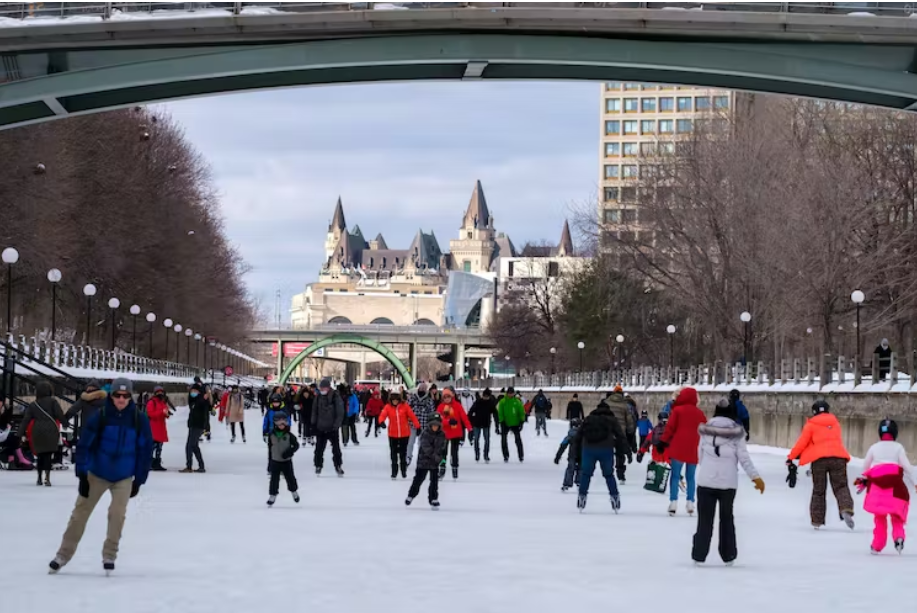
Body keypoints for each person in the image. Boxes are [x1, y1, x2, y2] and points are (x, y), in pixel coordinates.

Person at [48, 378, 152, 575]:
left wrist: (139, 479)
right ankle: (63, 554)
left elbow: (145, 450)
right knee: (79, 514)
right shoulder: (100, 416)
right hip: (97, 473)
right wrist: (82, 475)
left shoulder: (139, 419)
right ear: (111, 395)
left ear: (131, 396)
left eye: (125, 396)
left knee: (117, 515)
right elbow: (84, 445)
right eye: (117, 395)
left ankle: (109, 554)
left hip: (123, 475)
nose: (121, 399)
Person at [692, 400, 765, 566]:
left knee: (704, 519)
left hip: (706, 481)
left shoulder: (705, 431)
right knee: (726, 518)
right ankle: (728, 554)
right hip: (728, 483)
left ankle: (699, 554)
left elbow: (700, 455)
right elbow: (743, 458)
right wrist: (755, 477)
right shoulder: (737, 433)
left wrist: (708, 470)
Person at [787, 400, 855, 530]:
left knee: (819, 490)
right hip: (838, 458)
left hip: (819, 460)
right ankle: (846, 509)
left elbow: (802, 443)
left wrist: (791, 457)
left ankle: (817, 521)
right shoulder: (835, 423)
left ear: (814, 412)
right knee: (841, 486)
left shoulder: (811, 425)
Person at [857, 419, 915, 554]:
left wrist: (861, 481)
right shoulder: (898, 448)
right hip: (895, 489)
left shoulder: (874, 447)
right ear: (895, 433)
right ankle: (899, 537)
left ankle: (877, 546)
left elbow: (865, 467)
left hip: (877, 489)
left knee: (879, 518)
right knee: (897, 517)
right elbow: (907, 468)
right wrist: (915, 482)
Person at [657, 387, 707, 516]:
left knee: (675, 476)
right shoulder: (700, 413)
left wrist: (662, 442)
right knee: (691, 477)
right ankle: (690, 502)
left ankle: (673, 502)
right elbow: (705, 431)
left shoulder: (677, 411)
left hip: (678, 447)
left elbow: (670, 428)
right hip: (693, 448)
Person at [574, 397, 630, 512]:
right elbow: (620, 436)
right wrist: (627, 452)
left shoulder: (588, 419)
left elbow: (578, 436)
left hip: (588, 449)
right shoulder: (611, 420)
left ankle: (582, 497)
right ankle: (614, 497)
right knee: (609, 475)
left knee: (586, 474)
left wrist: (576, 454)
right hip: (606, 449)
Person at [18, 380, 65, 486]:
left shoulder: (33, 404)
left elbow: (26, 420)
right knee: (48, 455)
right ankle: (47, 478)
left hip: (37, 430)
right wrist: (65, 423)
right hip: (51, 430)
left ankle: (39, 477)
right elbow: (59, 415)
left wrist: (19, 433)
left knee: (40, 455)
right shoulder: (53, 402)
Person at [405, 413, 446, 509]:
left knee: (434, 482)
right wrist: (435, 456)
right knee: (418, 479)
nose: (435, 427)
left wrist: (442, 461)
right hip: (423, 462)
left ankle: (433, 498)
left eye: (437, 425)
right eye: (433, 425)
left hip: (435, 463)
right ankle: (411, 495)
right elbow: (426, 448)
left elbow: (443, 449)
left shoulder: (442, 435)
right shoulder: (425, 434)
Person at [378, 391, 420, 479]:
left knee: (403, 453)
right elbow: (382, 415)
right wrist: (381, 421)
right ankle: (394, 470)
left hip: (404, 433)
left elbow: (412, 416)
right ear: (391, 400)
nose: (395, 402)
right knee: (393, 453)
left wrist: (417, 426)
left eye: (396, 400)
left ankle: (403, 470)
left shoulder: (405, 407)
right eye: (393, 400)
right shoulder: (388, 407)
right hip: (393, 434)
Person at [312, 378, 345, 476]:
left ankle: (338, 465)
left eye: (324, 388)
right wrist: (313, 424)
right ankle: (318, 465)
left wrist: (336, 426)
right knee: (319, 449)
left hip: (332, 428)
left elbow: (340, 413)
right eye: (321, 388)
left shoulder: (335, 397)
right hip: (320, 427)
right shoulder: (318, 398)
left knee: (336, 449)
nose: (322, 390)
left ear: (328, 387)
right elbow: (314, 411)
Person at [437, 388, 472, 479]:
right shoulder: (441, 407)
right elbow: (438, 419)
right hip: (444, 433)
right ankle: (442, 468)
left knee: (454, 452)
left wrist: (470, 429)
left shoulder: (457, 405)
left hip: (455, 432)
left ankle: (455, 467)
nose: (447, 399)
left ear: (452, 396)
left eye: (448, 397)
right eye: (445, 397)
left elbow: (464, 417)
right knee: (443, 452)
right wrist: (448, 422)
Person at [267, 411, 300, 506]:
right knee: (274, 479)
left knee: (290, 478)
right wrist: (269, 463)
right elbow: (270, 449)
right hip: (275, 461)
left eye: (284, 422)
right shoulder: (271, 435)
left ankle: (294, 492)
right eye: (279, 422)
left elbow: (296, 445)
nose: (281, 425)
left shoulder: (289, 435)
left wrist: (290, 452)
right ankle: (272, 495)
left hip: (286, 461)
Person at [602, 388, 636, 483]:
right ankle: (621, 475)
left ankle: (608, 471)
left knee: (607, 452)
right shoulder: (625, 405)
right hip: (620, 432)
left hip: (607, 431)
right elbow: (629, 420)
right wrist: (630, 431)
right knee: (620, 454)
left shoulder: (606, 402)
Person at [181, 384, 210, 473]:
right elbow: (192, 404)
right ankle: (201, 465)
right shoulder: (193, 400)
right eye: (192, 391)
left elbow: (205, 411)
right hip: (193, 425)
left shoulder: (202, 400)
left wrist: (206, 427)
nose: (193, 393)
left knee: (190, 446)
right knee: (194, 446)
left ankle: (189, 466)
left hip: (198, 425)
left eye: (195, 391)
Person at [407, 382, 437, 466]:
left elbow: (432, 412)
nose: (422, 390)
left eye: (424, 389)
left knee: (422, 443)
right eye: (421, 388)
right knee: (410, 442)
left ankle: (421, 458)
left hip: (424, 425)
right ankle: (408, 456)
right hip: (412, 424)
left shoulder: (429, 400)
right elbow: (407, 409)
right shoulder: (412, 398)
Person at [467, 388, 498, 463]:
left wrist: (497, 424)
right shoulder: (478, 402)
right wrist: (471, 422)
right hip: (477, 423)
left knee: (487, 440)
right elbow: (470, 412)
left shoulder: (490, 403)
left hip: (486, 424)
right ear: (483, 396)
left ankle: (486, 455)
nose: (486, 398)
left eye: (487, 397)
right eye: (485, 396)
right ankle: (477, 454)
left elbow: (495, 413)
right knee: (476, 439)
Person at [145, 386, 171, 472]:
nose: (160, 394)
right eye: (158, 392)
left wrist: (166, 414)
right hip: (153, 427)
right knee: (152, 446)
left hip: (161, 427)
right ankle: (149, 463)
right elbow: (150, 414)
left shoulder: (162, 402)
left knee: (159, 447)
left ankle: (157, 463)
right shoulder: (152, 402)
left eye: (161, 392)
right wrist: (161, 412)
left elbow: (166, 412)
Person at [497, 387, 525, 463]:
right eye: (509, 393)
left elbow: (521, 412)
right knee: (503, 440)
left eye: (512, 393)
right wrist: (501, 421)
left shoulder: (517, 401)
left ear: (513, 393)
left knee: (518, 440)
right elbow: (500, 412)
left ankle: (521, 455)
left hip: (515, 423)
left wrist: (522, 421)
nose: (510, 395)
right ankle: (505, 455)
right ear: (507, 393)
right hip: (505, 423)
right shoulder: (503, 402)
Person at [554, 418, 582, 492]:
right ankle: (580, 482)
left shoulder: (570, 435)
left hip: (572, 455)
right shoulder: (585, 435)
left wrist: (558, 456)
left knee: (570, 469)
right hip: (582, 455)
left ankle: (567, 483)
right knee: (581, 469)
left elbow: (563, 445)